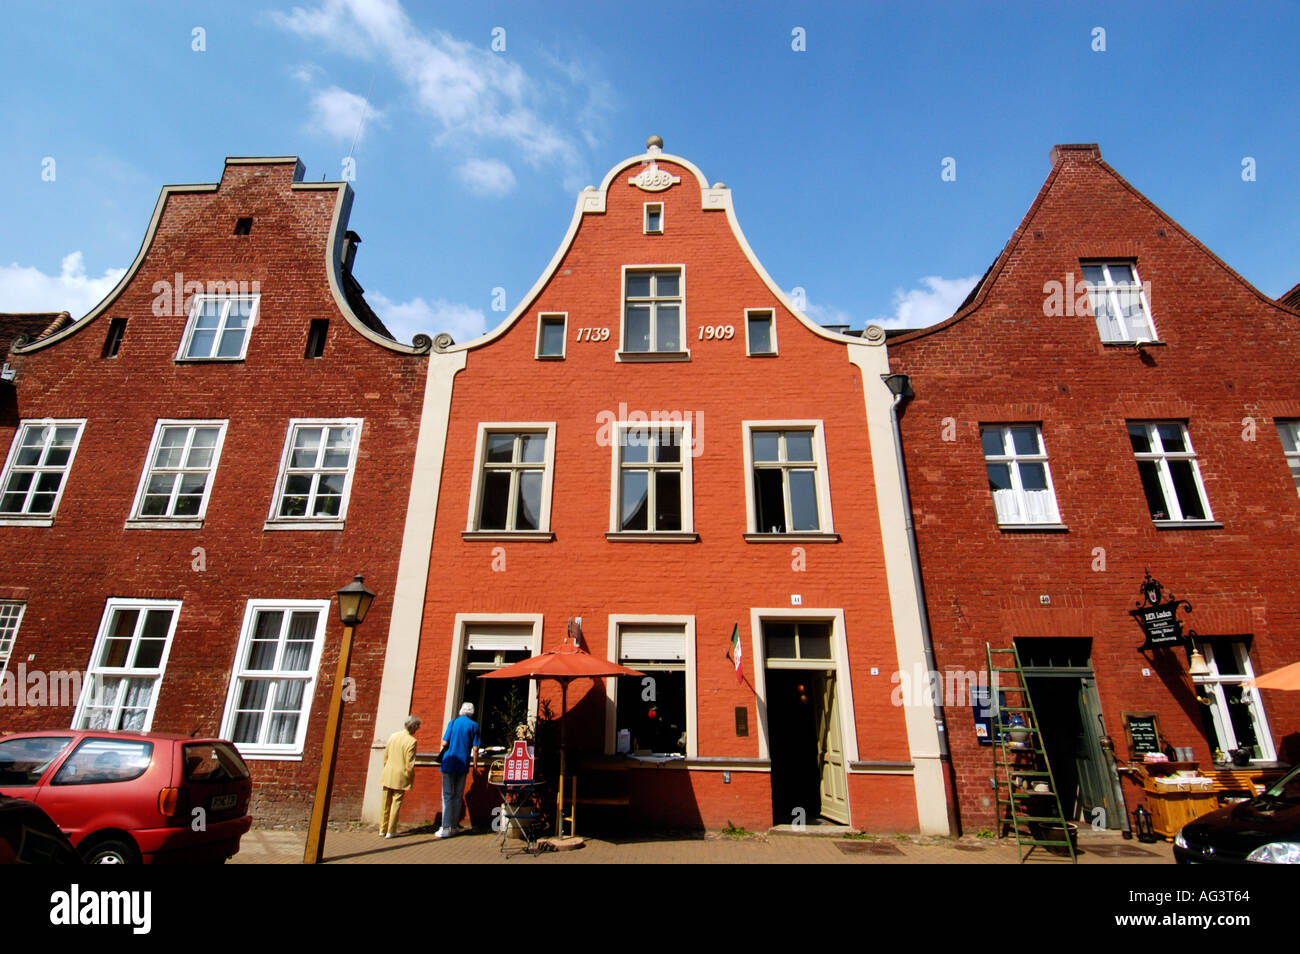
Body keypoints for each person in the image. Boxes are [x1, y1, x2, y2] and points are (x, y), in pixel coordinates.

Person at [435, 702, 480, 838]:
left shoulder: (453, 722)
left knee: (447, 795)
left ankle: (446, 827)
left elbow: (444, 743)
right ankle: (454, 826)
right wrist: (475, 766)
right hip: (463, 763)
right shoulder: (474, 726)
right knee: (458, 795)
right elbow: (476, 748)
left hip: (449, 761)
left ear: (461, 710)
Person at [379, 715, 421, 838]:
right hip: (400, 775)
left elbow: (386, 756)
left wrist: (386, 767)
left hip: (388, 772)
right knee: (395, 804)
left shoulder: (393, 736)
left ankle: (382, 828)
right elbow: (409, 763)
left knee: (385, 803)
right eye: (417, 727)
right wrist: (410, 776)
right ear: (413, 727)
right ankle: (391, 830)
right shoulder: (412, 741)